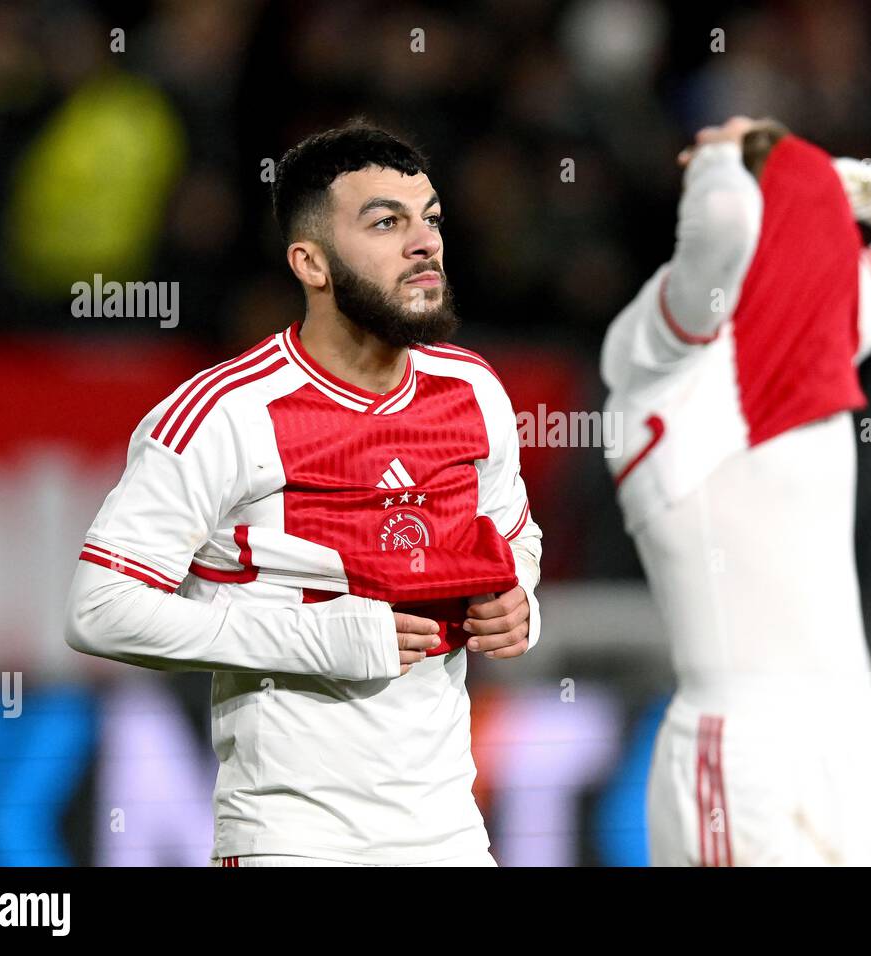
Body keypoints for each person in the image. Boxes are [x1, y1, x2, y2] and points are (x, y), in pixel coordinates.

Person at [64, 119, 542, 867]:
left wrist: (519, 596)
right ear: (311, 263)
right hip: (292, 843)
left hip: (451, 835)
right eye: (386, 222)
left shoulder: (472, 388)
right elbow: (100, 610)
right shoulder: (225, 413)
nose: (424, 244)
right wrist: (317, 639)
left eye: (431, 219)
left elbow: (515, 532)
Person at [600, 116, 871, 865]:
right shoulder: (657, 355)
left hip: (857, 738)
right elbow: (721, 227)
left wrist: (828, 178)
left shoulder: (819, 330)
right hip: (740, 752)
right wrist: (724, 157)